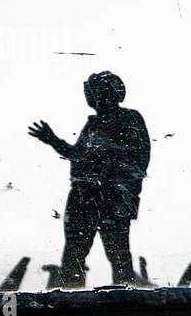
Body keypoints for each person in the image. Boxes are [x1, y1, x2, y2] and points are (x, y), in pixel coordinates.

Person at [29, 71, 150, 288]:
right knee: (74, 255)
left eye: (104, 95)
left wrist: (124, 190)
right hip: (84, 198)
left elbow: (140, 160)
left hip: (113, 198)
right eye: (96, 96)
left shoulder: (131, 119)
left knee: (118, 255)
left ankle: (124, 299)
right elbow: (78, 155)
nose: (100, 101)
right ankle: (72, 297)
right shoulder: (93, 125)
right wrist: (52, 140)